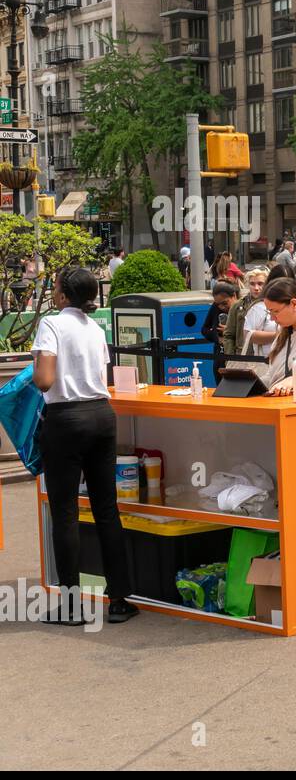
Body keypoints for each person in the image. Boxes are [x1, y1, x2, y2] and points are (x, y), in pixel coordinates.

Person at [33, 268, 137, 625]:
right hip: (101, 415)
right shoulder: (96, 328)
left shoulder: (51, 325)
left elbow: (45, 380)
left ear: (62, 295)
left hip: (66, 419)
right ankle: (120, 599)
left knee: (65, 512)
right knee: (106, 507)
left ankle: (73, 604)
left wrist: (35, 373)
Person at [241, 263, 294, 359]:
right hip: (266, 363)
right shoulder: (259, 307)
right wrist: (278, 335)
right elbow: (248, 335)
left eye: (288, 283)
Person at [223, 266, 268, 355]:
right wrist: (230, 359)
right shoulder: (237, 306)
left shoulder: (273, 305)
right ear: (247, 285)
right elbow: (229, 335)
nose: (256, 288)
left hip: (266, 355)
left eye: (260, 283)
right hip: (243, 355)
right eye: (252, 284)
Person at [201, 280, 238, 354]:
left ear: (234, 296)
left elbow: (248, 335)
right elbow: (204, 329)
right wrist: (218, 339)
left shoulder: (242, 309)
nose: (221, 307)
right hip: (220, 353)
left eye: (225, 303)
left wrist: (229, 332)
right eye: (218, 304)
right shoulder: (215, 308)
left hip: (236, 353)